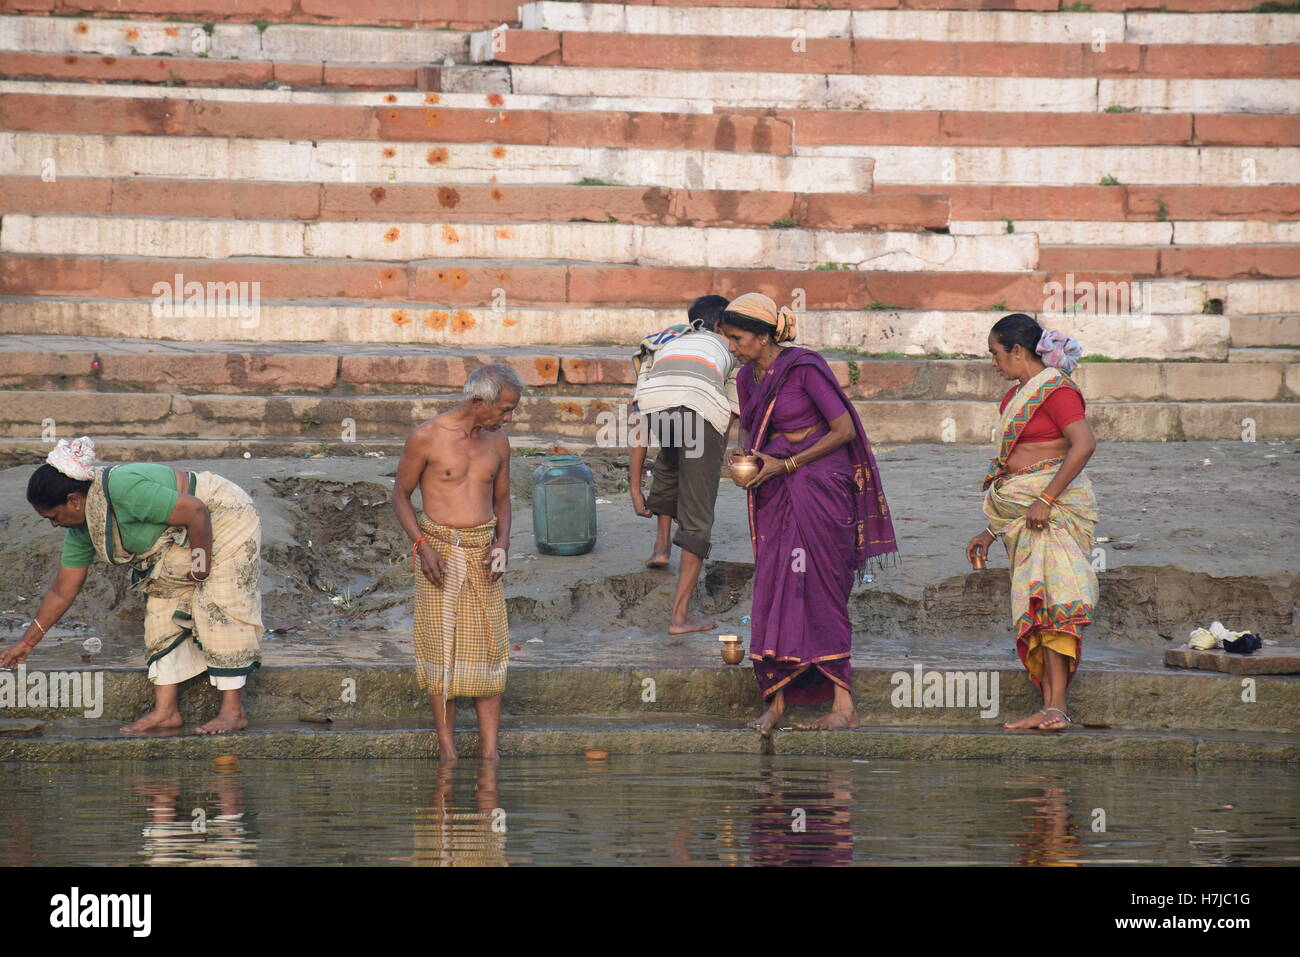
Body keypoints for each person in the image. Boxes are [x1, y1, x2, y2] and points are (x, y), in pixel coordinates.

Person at [717, 293, 897, 734]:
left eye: (737, 338)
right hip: (775, 488)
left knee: (822, 588)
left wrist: (790, 463)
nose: (732, 348)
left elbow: (844, 430)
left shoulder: (805, 367)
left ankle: (843, 705)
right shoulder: (746, 378)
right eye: (728, 339)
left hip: (821, 485)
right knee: (773, 587)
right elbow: (752, 430)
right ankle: (776, 703)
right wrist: (746, 456)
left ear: (763, 336)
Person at [1, 437, 263, 734]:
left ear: (74, 500)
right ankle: (166, 712)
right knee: (160, 612)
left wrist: (201, 568)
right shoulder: (82, 528)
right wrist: (26, 643)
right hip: (181, 536)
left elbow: (196, 511)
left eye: (54, 516)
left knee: (219, 600)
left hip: (222, 514)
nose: (53, 525)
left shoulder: (123, 489)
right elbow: (62, 592)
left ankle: (234, 711)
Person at [965, 314, 1099, 732]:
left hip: (1054, 515)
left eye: (995, 354)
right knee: (1036, 611)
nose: (993, 363)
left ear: (1018, 352)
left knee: (1057, 606)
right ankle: (1048, 707)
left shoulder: (1056, 391)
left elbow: (1084, 444)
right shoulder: (1013, 399)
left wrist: (1046, 497)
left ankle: (1057, 707)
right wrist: (990, 531)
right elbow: (1013, 468)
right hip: (1026, 518)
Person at [392, 362, 521, 763]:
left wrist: (502, 542)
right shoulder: (426, 437)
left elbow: (501, 499)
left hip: (484, 553)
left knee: (489, 649)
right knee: (440, 650)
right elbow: (400, 495)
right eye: (505, 409)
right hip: (439, 553)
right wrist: (422, 546)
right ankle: (447, 751)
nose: (508, 418)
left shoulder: (499, 444)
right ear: (479, 401)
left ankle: (489, 752)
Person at [628, 294, 739, 635]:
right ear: (723, 326)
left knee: (669, 458)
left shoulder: (663, 342)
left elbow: (639, 418)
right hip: (701, 409)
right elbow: (732, 412)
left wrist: (634, 487)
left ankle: (662, 547)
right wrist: (714, 457)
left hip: (656, 406)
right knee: (697, 513)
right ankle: (680, 617)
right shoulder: (732, 351)